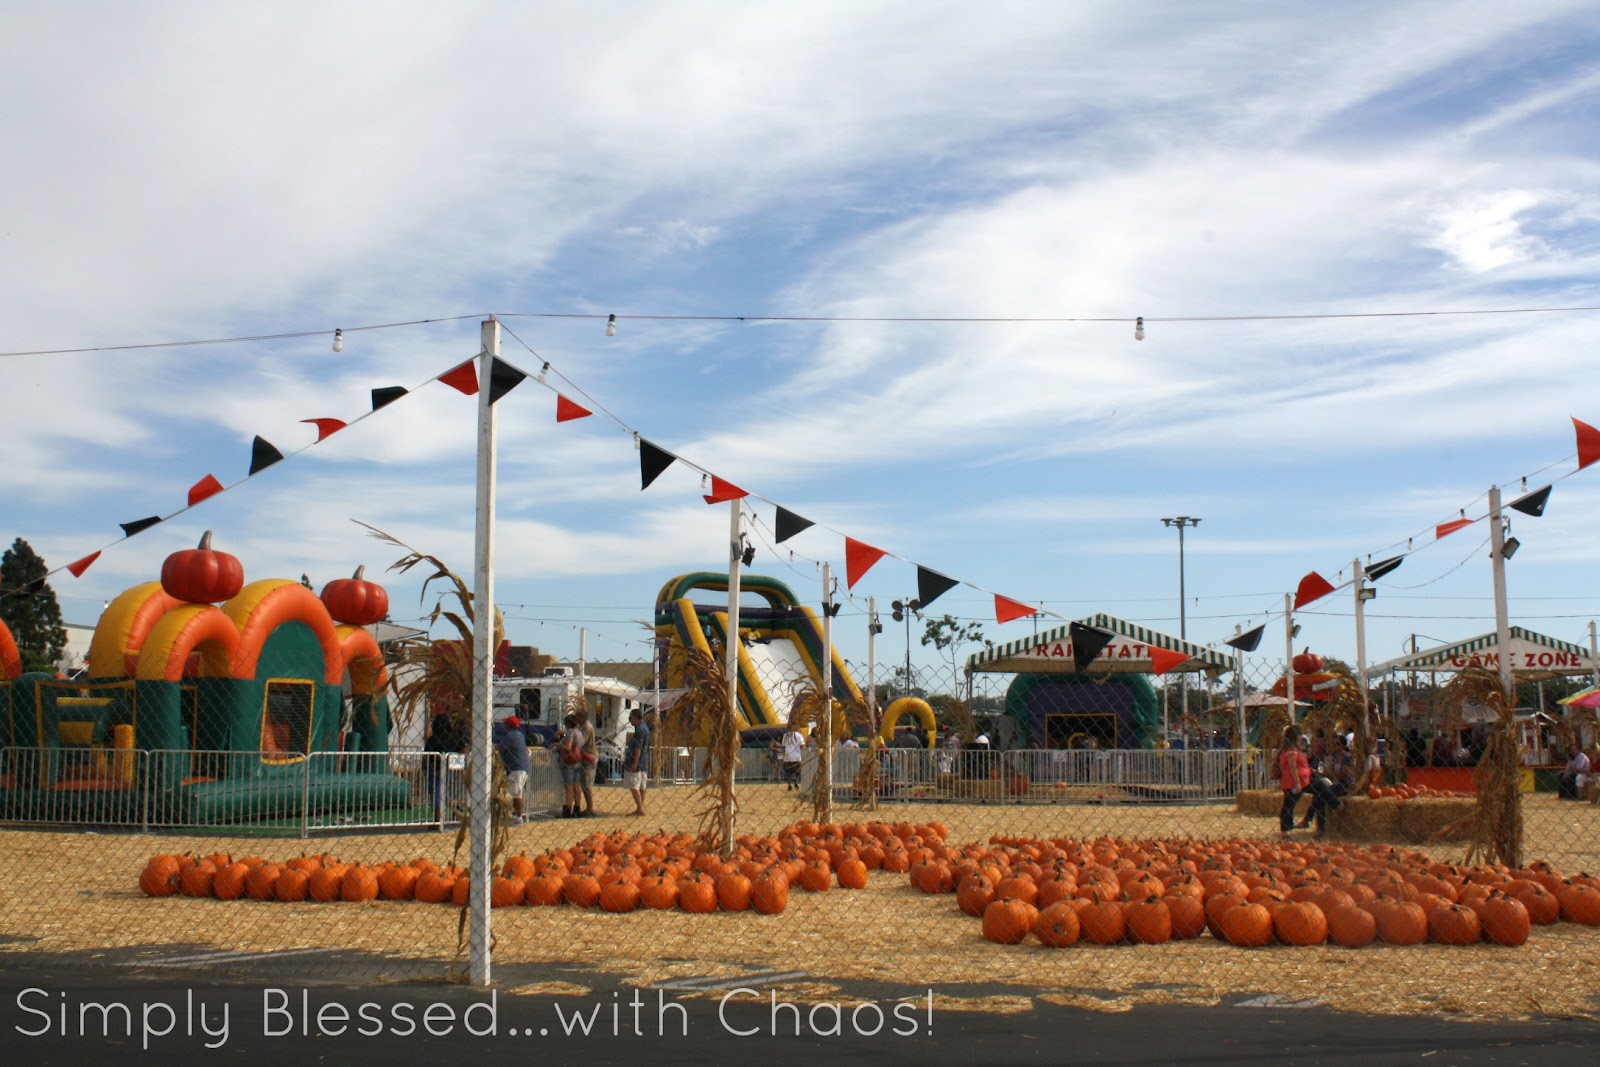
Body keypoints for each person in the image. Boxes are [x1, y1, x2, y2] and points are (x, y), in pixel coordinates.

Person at [423, 711, 466, 818]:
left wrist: (424, 768)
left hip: (434, 769)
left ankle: (438, 818)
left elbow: (426, 755)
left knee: (436, 792)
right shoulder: (455, 737)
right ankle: (455, 806)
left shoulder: (432, 739)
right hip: (451, 769)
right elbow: (463, 749)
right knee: (444, 792)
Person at [493, 714, 530, 824]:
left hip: (516, 769)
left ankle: (518, 817)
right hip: (520, 768)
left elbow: (501, 748)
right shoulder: (519, 735)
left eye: (506, 723)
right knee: (516, 793)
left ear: (509, 725)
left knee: (516, 794)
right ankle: (516, 815)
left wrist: (493, 746)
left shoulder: (511, 735)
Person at [1277, 729, 1311, 834]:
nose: (1302, 737)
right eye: (1300, 735)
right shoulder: (1291, 750)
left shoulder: (1292, 749)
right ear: (1295, 737)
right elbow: (1292, 767)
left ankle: (1287, 829)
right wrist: (1297, 783)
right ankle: (1285, 831)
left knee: (1289, 805)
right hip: (1292, 782)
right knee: (1288, 806)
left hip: (1302, 780)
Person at [555, 713, 586, 817]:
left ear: (568, 723)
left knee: (568, 787)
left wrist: (557, 744)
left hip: (568, 762)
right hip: (577, 761)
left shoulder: (570, 732)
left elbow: (568, 747)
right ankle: (577, 809)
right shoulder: (579, 732)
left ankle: (567, 810)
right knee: (576, 785)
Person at [623, 708, 650, 817]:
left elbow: (637, 748)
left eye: (630, 718)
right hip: (643, 761)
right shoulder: (645, 728)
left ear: (635, 717)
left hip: (637, 762)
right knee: (642, 786)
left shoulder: (639, 730)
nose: (630, 721)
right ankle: (640, 807)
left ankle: (640, 808)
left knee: (634, 786)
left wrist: (634, 763)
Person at [574, 708, 599, 816]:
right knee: (584, 783)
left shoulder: (587, 727)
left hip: (589, 756)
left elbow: (581, 742)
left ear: (582, 717)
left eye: (577, 716)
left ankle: (590, 808)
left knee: (587, 783)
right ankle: (589, 807)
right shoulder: (582, 726)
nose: (576, 718)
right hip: (585, 756)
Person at [779, 725, 804, 790]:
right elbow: (802, 745)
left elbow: (783, 746)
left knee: (788, 772)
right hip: (796, 756)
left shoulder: (785, 735)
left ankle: (789, 784)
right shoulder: (799, 735)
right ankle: (795, 781)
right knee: (798, 771)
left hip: (788, 756)